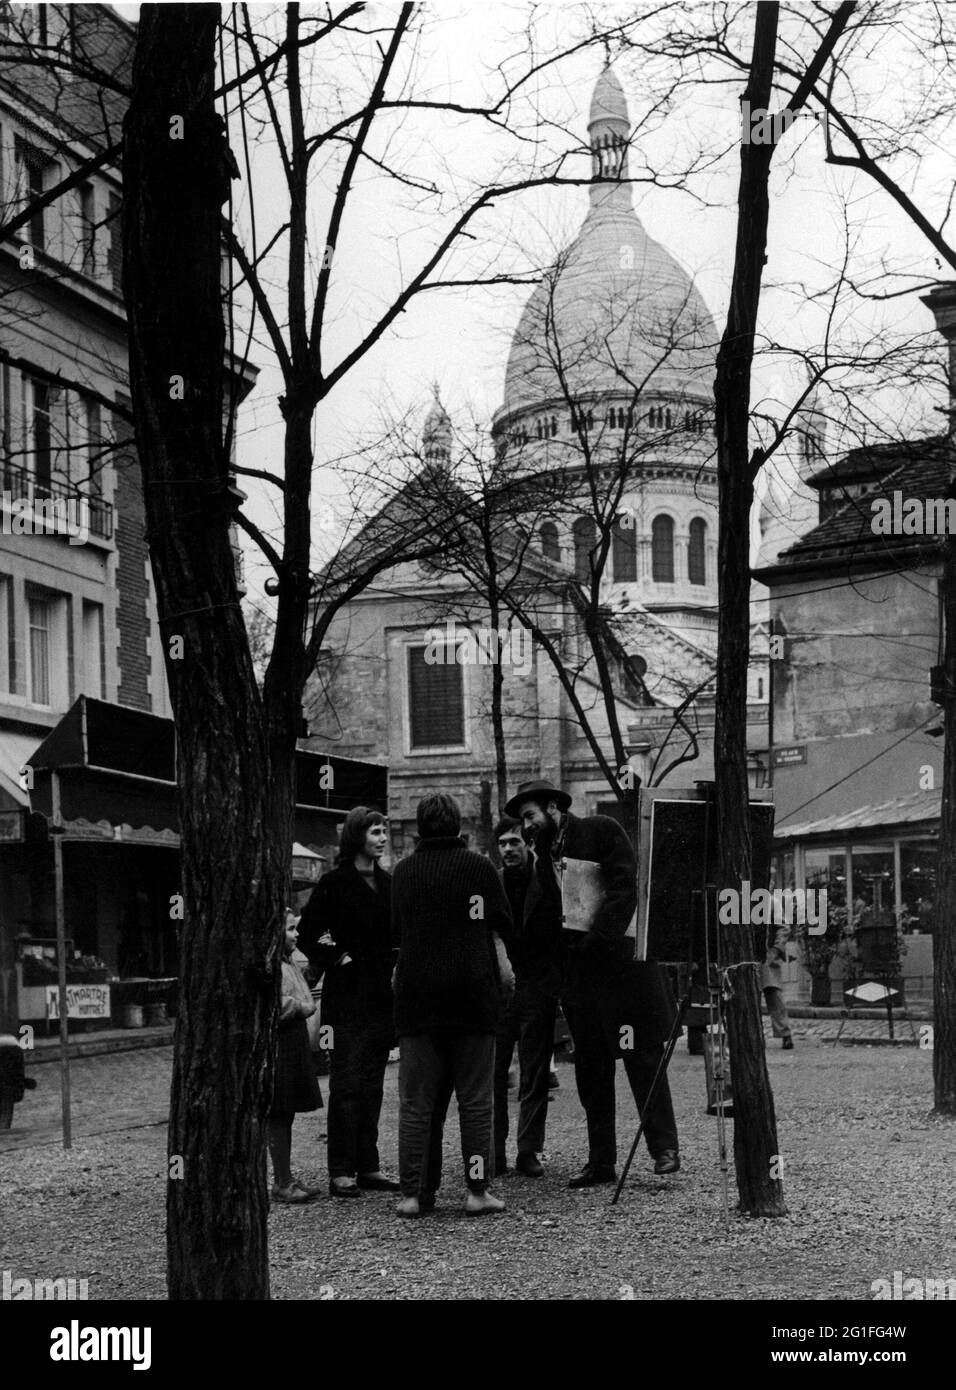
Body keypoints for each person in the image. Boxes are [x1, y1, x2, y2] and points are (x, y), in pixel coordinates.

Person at [505, 778, 680, 1189]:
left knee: (642, 1059)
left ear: (553, 807)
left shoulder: (601, 830)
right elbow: (548, 917)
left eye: (530, 816)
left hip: (623, 972)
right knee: (592, 1072)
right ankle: (601, 1162)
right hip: (583, 982)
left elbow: (627, 886)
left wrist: (597, 936)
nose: (527, 826)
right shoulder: (543, 856)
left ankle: (664, 1149)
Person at [392, 792, 514, 1218]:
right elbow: (501, 921)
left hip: (418, 1000)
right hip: (472, 998)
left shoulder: (403, 873)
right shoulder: (479, 869)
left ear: (419, 829)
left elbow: (396, 929)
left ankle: (413, 1194)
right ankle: (477, 1190)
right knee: (475, 1101)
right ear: (458, 826)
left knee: (416, 1104)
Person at [298, 806, 399, 1199]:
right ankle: (341, 1170)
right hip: (347, 999)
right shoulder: (334, 883)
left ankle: (368, 1165)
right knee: (346, 1084)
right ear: (357, 836)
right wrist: (338, 955)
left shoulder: (389, 884)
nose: (383, 838)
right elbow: (310, 931)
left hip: (380, 999)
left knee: (373, 1084)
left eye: (385, 831)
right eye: (376, 831)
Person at [268, 912, 324, 1204]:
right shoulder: (272, 967)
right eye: (291, 929)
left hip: (294, 1040)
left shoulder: (289, 963)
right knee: (277, 1112)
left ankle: (285, 1176)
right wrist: (302, 1008)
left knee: (286, 1113)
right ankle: (281, 1180)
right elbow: (275, 1004)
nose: (297, 934)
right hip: (281, 1042)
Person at [762, 920, 794, 1049]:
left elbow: (783, 927)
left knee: (773, 993)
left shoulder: (771, 902)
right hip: (748, 953)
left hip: (767, 953)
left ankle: (785, 1033)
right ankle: (755, 1035)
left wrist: (776, 949)